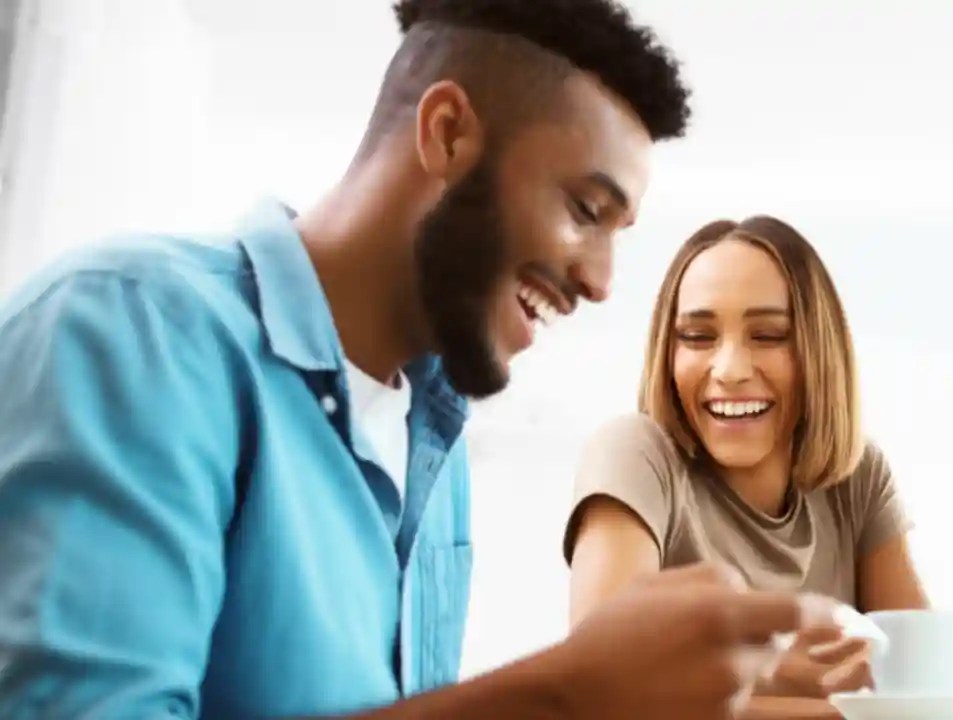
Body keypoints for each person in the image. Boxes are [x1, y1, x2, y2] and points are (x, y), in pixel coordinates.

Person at [0, 2, 815, 718]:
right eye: (584, 210)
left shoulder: (437, 442)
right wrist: (563, 695)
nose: (601, 282)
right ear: (448, 132)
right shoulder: (132, 330)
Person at [563, 216, 953, 719]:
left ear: (818, 350)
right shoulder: (638, 455)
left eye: (769, 335)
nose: (728, 368)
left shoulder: (854, 480)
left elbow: (920, 692)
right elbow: (606, 686)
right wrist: (870, 713)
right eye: (696, 336)